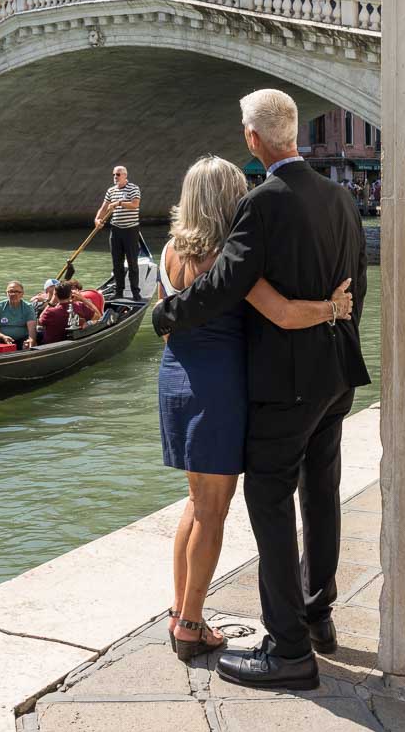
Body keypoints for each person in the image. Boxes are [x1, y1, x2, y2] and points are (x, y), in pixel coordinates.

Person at [153, 89, 369, 690]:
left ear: (253, 140)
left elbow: (228, 285)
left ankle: (289, 648)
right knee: (320, 493)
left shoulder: (264, 203)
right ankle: (318, 613)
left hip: (286, 385)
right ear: (295, 131)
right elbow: (359, 284)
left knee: (268, 502)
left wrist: (166, 317)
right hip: (336, 374)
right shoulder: (343, 197)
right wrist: (336, 319)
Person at [94, 165, 142, 301]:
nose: (115, 177)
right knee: (117, 263)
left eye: (118, 174)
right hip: (116, 230)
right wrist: (97, 219)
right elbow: (104, 208)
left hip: (131, 230)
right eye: (114, 174)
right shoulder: (111, 191)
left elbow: (135, 204)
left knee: (132, 263)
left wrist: (119, 203)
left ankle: (135, 292)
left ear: (125, 175)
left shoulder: (133, 188)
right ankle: (119, 291)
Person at [0, 281, 37, 349]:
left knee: (28, 344)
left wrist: (31, 342)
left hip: (22, 339)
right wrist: (3, 337)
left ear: (22, 294)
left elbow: (32, 329)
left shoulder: (28, 308)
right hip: (2, 339)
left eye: (17, 291)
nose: (14, 294)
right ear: (7, 293)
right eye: (11, 291)